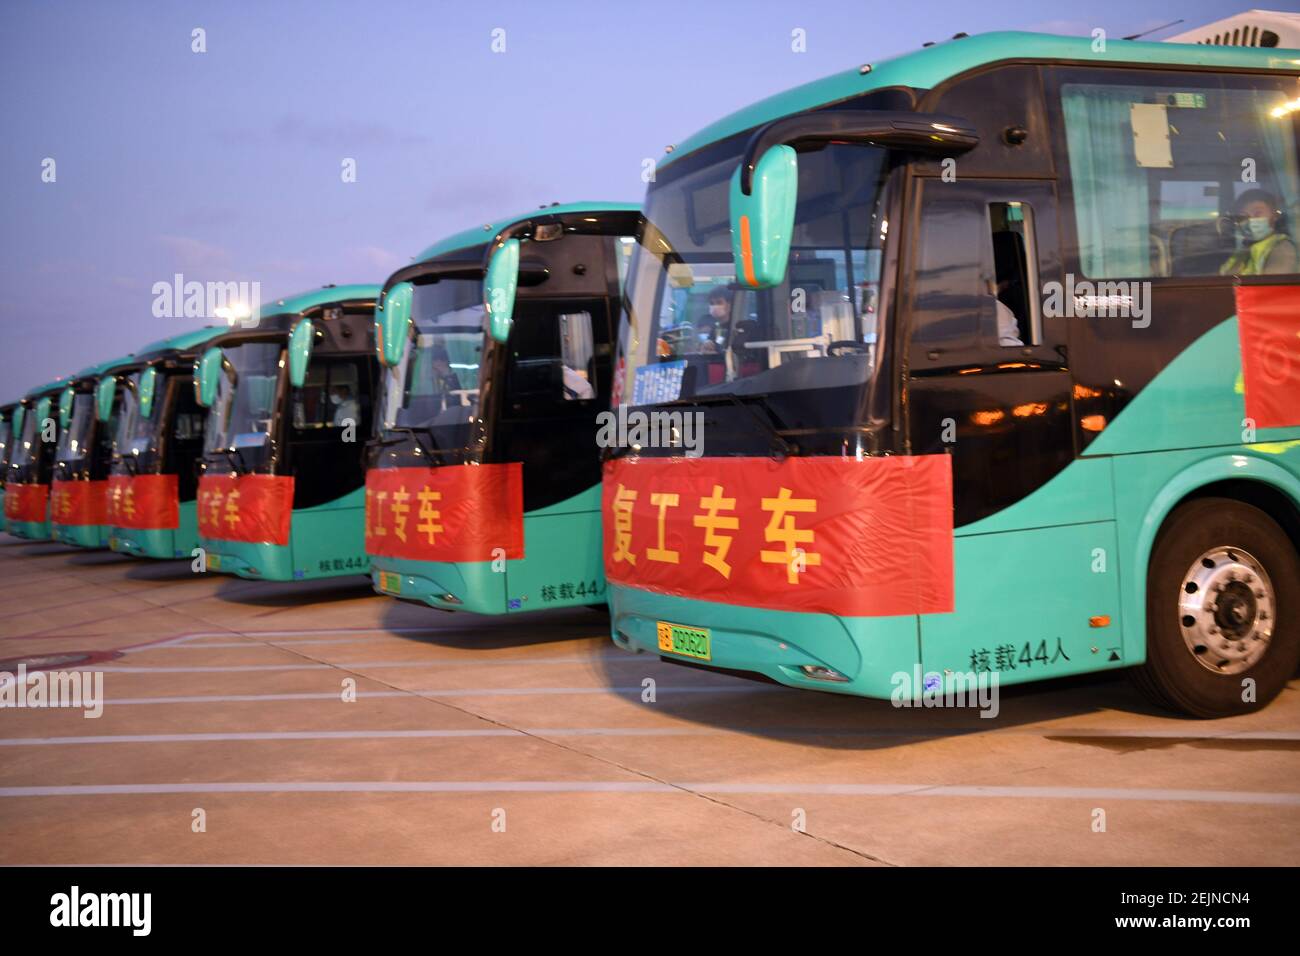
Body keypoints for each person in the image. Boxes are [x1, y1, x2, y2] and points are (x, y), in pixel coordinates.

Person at [1220, 189, 1297, 276]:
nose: (1251, 220)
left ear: (1275, 216)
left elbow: (1273, 285)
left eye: (1258, 213)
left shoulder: (1282, 248)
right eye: (1243, 216)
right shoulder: (1243, 249)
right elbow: (1224, 278)